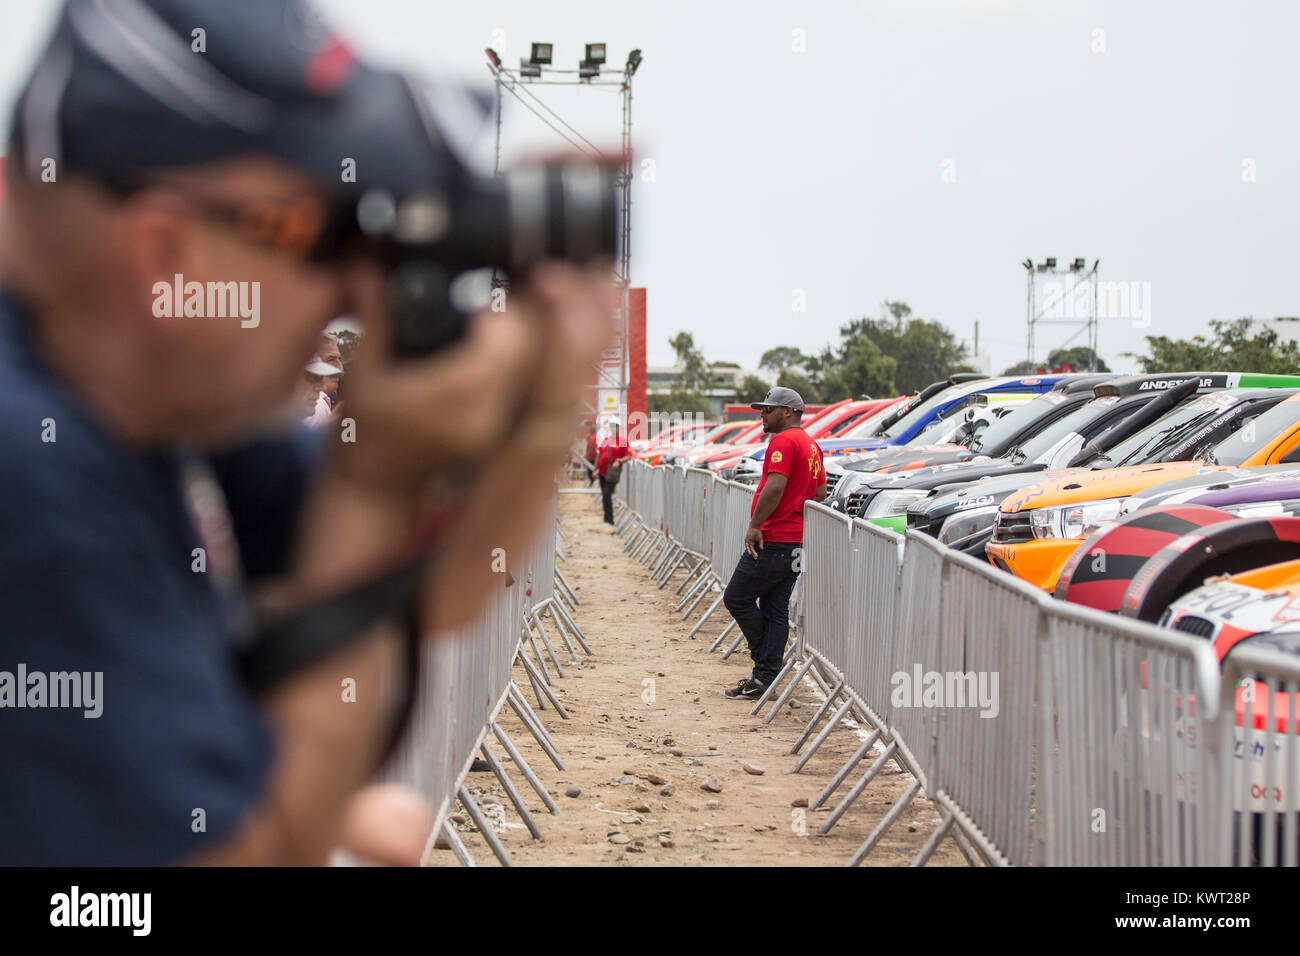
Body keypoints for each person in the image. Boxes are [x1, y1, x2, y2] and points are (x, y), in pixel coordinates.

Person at [0, 0, 615, 865]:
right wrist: (372, 490)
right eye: (328, 234)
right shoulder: (28, 468)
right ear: (164, 255)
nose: (357, 289)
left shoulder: (130, 392)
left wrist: (542, 403)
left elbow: (440, 590)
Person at [722, 387, 826, 699]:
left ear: (788, 412)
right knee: (775, 607)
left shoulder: (783, 441)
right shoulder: (812, 445)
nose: (762, 415)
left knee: (737, 597)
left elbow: (775, 485)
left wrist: (755, 525)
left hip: (774, 538)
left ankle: (766, 660)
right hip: (795, 541)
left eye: (768, 409)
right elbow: (819, 493)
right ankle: (764, 677)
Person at [596, 423, 632, 524]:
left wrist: (619, 461)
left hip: (612, 473)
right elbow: (599, 455)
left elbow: (629, 456)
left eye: (615, 427)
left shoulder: (623, 441)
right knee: (604, 495)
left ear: (618, 428)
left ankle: (609, 519)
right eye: (611, 427)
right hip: (602, 472)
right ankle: (606, 517)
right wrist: (595, 469)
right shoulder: (605, 440)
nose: (613, 429)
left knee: (607, 494)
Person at [584, 421, 599, 486]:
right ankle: (593, 482)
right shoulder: (595, 437)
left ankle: (592, 482)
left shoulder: (592, 438)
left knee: (591, 471)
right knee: (593, 470)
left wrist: (587, 456)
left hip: (591, 457)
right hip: (594, 457)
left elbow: (591, 447)